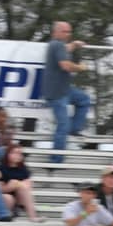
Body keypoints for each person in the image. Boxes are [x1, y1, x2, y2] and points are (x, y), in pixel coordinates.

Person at [44, 21, 92, 163]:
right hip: (57, 93)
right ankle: (56, 160)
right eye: (65, 31)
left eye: (69, 31)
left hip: (64, 90)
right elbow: (65, 65)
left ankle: (74, 128)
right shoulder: (57, 44)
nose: (68, 34)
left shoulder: (58, 45)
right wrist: (80, 67)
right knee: (62, 125)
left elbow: (66, 50)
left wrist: (75, 45)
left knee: (84, 100)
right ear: (56, 32)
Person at [0, 144, 39, 222]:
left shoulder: (23, 168)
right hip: (6, 196)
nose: (17, 155)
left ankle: (33, 217)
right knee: (8, 197)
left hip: (20, 197)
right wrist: (10, 187)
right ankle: (6, 222)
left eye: (19, 153)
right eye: (14, 153)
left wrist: (18, 184)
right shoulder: (1, 168)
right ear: (8, 154)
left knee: (22, 186)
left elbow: (28, 186)